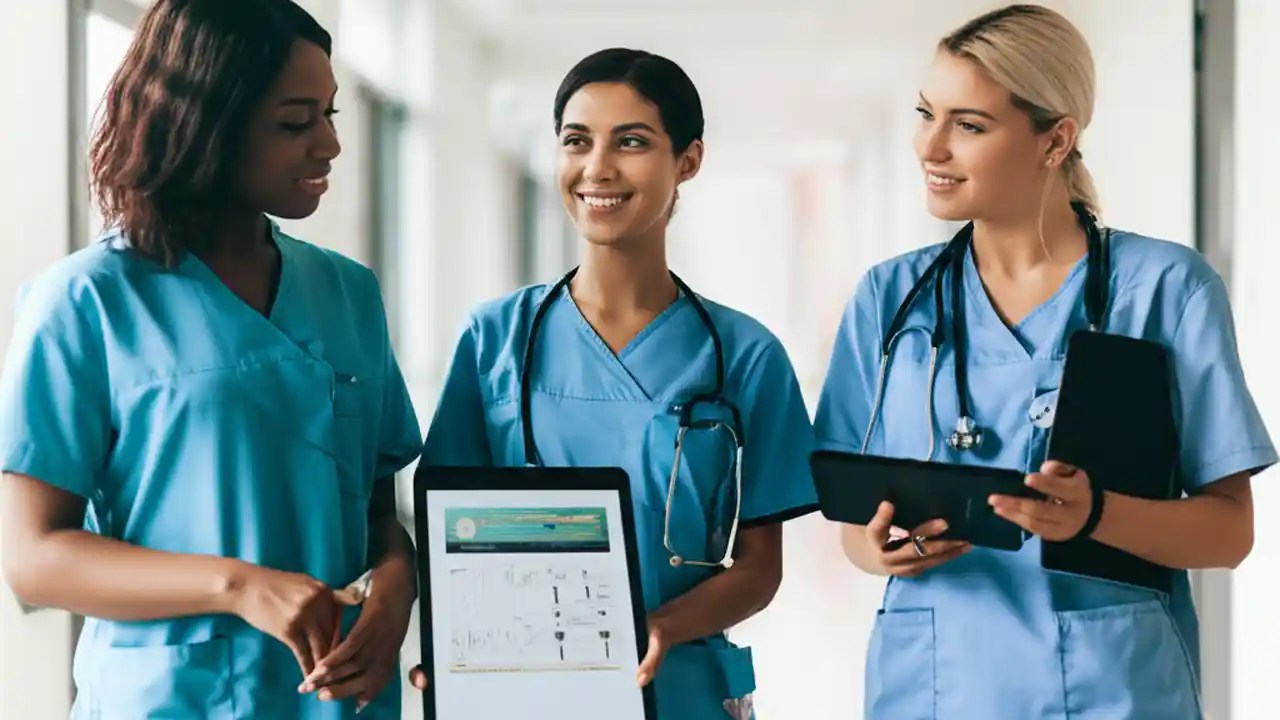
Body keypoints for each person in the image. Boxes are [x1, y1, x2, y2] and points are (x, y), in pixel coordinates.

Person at [814, 5, 1275, 719]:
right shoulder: (890, 297)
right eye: (925, 113)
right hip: (935, 683)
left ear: (1055, 139)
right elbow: (851, 529)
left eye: (968, 125)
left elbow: (1229, 532)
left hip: (1112, 687)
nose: (930, 147)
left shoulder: (1163, 290)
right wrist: (879, 550)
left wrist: (1095, 515)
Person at [0, 1, 422, 717]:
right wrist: (238, 585)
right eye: (295, 122)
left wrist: (397, 583)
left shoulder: (347, 293)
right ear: (205, 124)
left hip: (339, 699)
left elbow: (376, 509)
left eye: (330, 116)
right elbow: (33, 560)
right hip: (172, 700)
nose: (329, 147)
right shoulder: (86, 302)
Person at [401, 48, 818, 718]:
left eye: (632, 142)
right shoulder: (495, 339)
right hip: (524, 690)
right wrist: (459, 653)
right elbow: (452, 538)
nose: (597, 168)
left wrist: (658, 630)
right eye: (577, 141)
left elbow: (759, 567)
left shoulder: (744, 355)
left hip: (680, 685)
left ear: (688, 160)